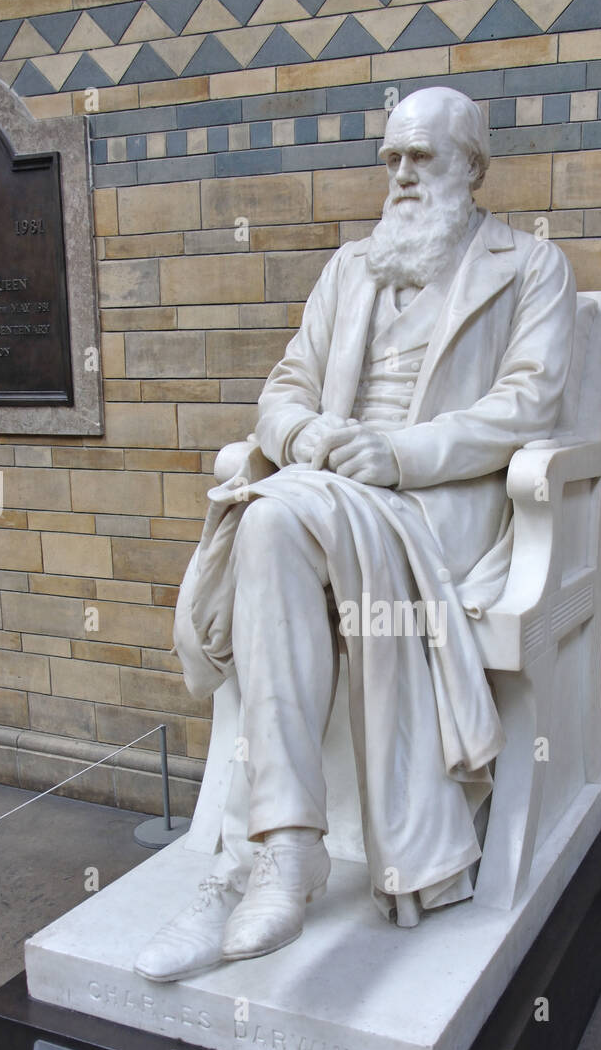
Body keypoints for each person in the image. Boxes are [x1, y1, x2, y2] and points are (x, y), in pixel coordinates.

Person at [135, 85, 576, 984]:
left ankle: (268, 854)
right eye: (391, 159)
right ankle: (287, 845)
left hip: (437, 504)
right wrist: (302, 437)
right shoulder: (351, 267)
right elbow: (283, 388)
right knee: (275, 520)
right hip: (325, 487)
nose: (402, 175)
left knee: (269, 517)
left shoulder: (531, 266)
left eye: (422, 157)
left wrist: (400, 453)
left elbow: (527, 403)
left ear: (472, 166)